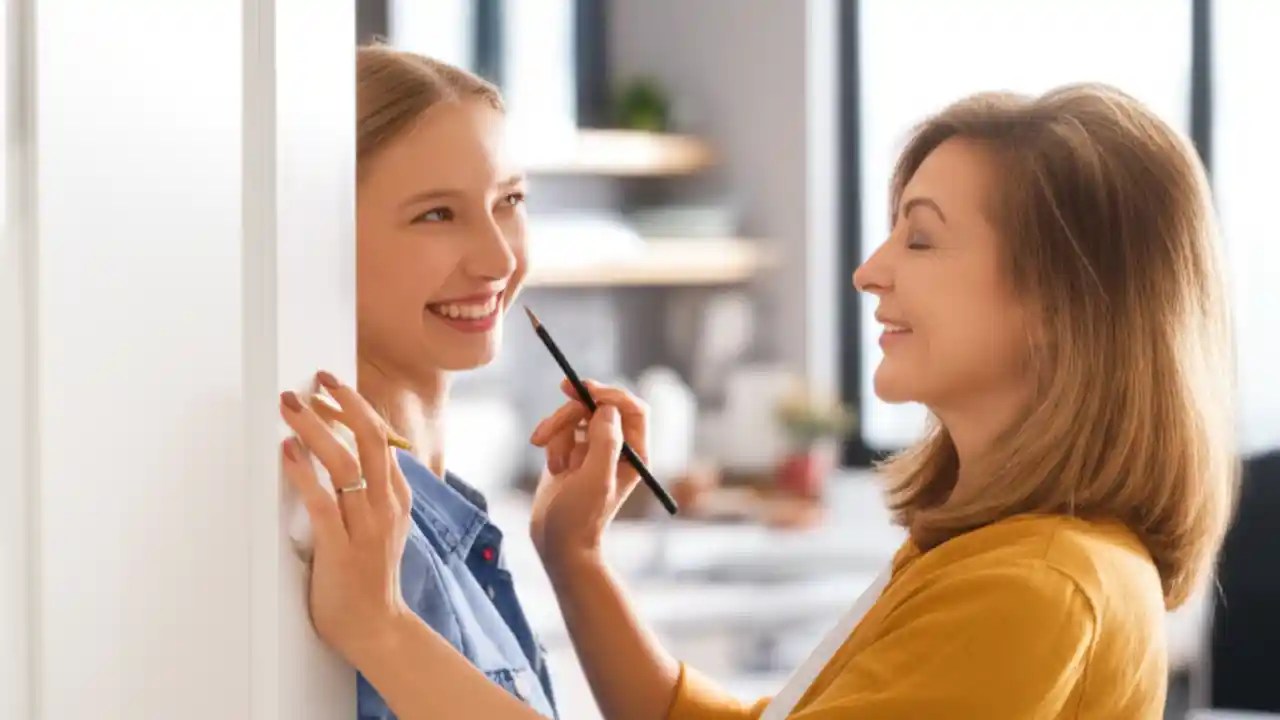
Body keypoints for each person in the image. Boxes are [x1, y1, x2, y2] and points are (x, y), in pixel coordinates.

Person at [278, 82, 1237, 718]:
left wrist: (380, 631)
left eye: (923, 239)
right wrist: (574, 557)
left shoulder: (1037, 587)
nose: (868, 273)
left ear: (1061, 303)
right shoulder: (994, 558)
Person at [286, 46, 558, 719]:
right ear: (318, 237)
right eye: (437, 214)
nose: (498, 257)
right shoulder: (375, 546)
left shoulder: (429, 529)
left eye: (510, 201)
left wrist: (574, 554)